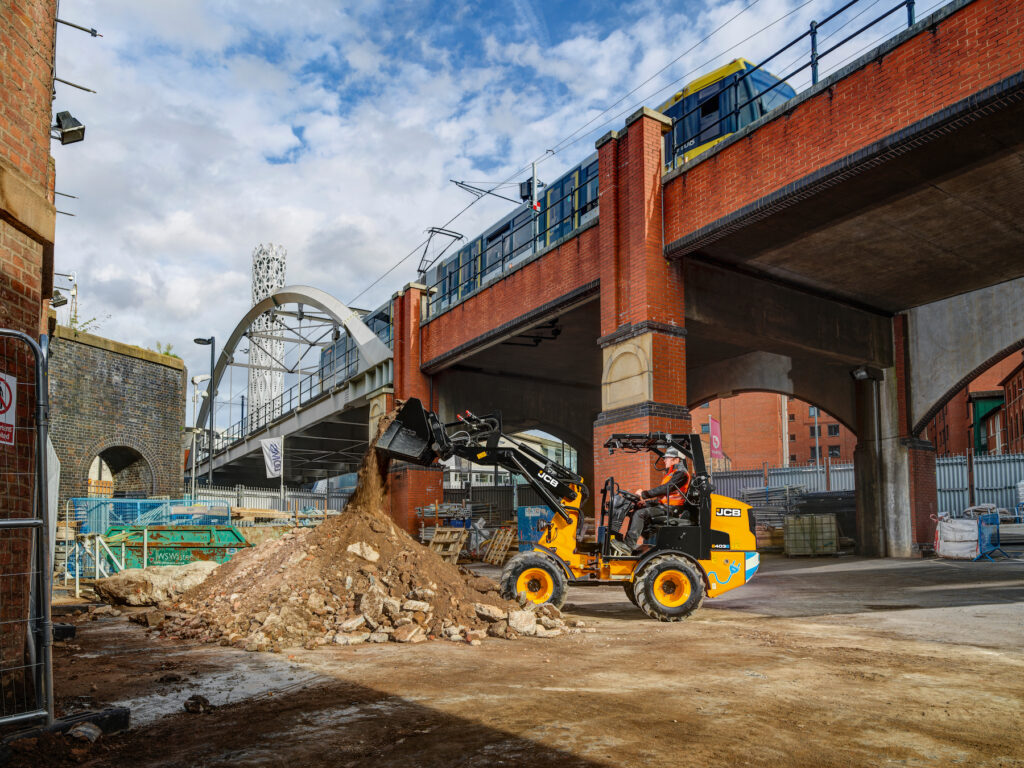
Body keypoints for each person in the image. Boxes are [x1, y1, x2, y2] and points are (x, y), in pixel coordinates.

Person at [623, 447, 691, 551]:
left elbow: (665, 489)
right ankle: (647, 543)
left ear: (676, 459)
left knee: (640, 514)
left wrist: (644, 494)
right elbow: (663, 498)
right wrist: (645, 503)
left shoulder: (681, 474)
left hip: (671, 509)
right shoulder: (672, 474)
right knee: (635, 511)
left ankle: (628, 547)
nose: (664, 460)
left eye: (667, 458)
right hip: (664, 506)